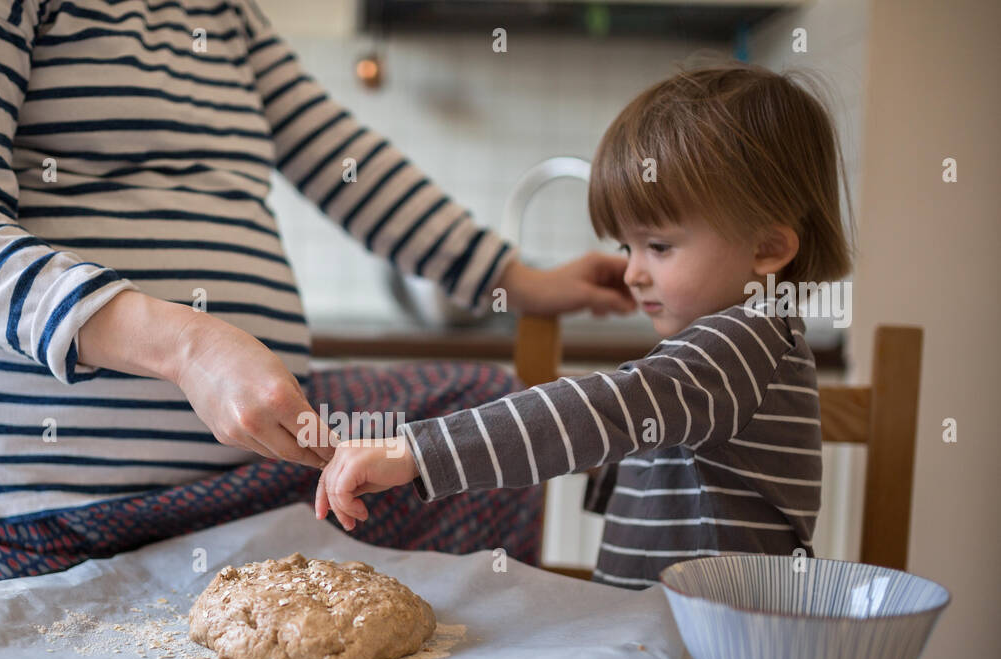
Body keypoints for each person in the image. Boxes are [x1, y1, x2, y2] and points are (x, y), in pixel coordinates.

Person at [0, 0, 633, 598]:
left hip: (206, 493)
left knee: (479, 422)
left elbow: (342, 158)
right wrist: (188, 347)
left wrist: (520, 279)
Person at [315, 63, 853, 589]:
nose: (633, 271)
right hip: (679, 648)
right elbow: (658, 459)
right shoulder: (738, 348)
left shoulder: (746, 341)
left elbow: (609, 408)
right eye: (628, 247)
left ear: (768, 248)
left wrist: (418, 452)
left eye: (659, 246)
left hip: (720, 657)